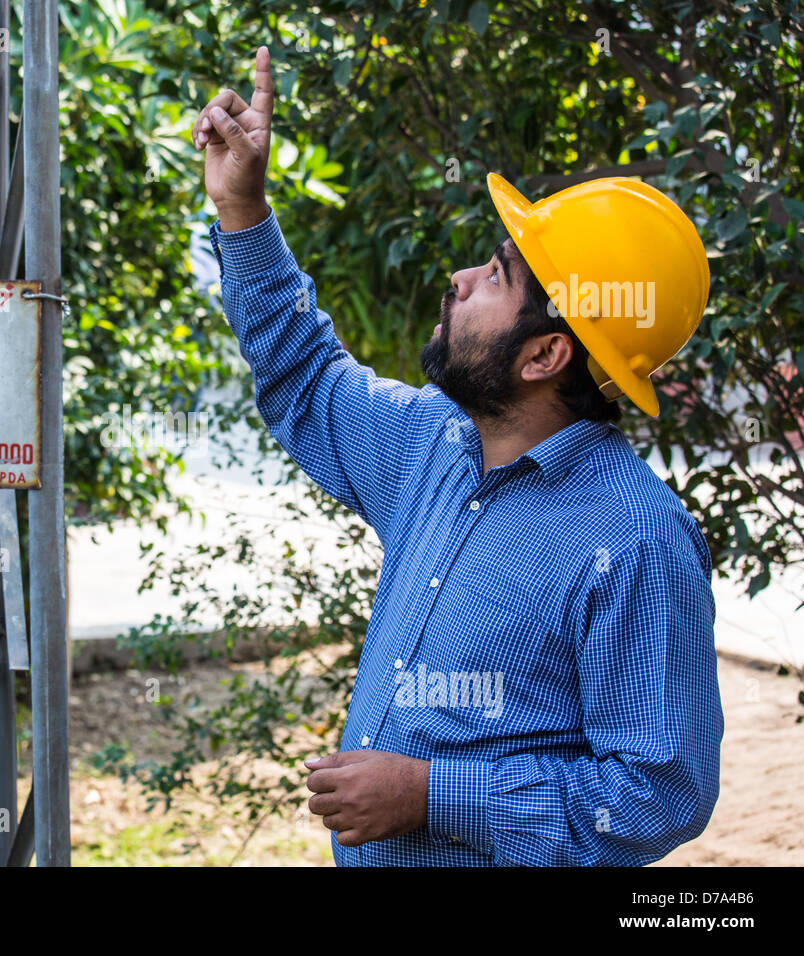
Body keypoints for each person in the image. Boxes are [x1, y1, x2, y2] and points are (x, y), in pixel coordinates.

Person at [193, 46, 722, 865]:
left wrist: (431, 794)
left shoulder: (635, 542)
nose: (461, 276)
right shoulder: (431, 444)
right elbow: (304, 370)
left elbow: (658, 796)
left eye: (499, 274)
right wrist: (243, 211)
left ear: (544, 356)